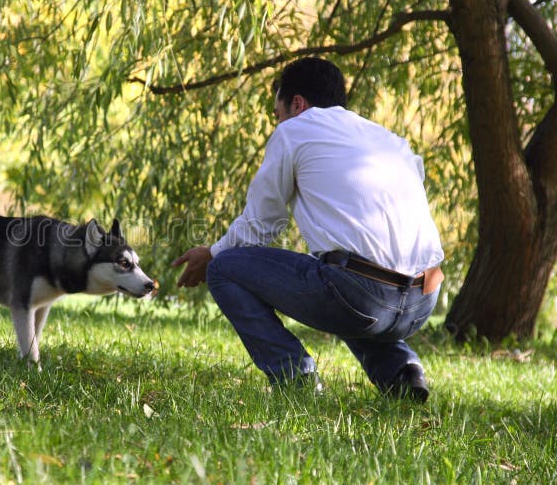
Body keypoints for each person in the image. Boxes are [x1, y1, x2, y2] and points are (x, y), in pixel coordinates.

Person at [172, 57, 444, 402]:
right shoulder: (390, 140)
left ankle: (293, 378)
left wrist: (210, 254)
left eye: (278, 113)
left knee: (226, 268)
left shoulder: (295, 130)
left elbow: (261, 224)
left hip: (361, 297)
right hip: (423, 299)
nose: (278, 123)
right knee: (342, 271)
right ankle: (401, 372)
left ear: (297, 103)